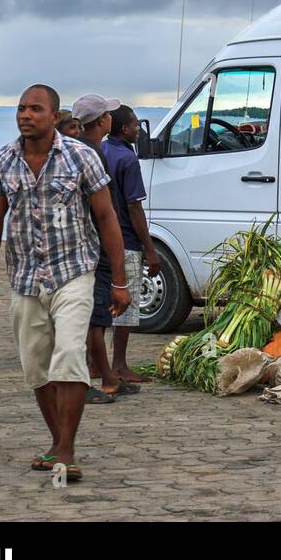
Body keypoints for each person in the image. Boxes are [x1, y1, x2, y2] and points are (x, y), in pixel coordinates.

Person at [0, 84, 129, 483]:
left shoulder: (80, 158)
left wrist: (121, 280)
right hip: (25, 278)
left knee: (70, 357)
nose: (26, 115)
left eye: (35, 109)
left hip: (73, 273)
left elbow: (107, 217)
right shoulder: (5, 160)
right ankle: (58, 440)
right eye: (21, 108)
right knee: (37, 367)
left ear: (55, 116)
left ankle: (68, 450)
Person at [70, 94, 131, 404]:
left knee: (96, 316)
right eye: (108, 114)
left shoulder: (86, 150)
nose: (112, 118)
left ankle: (107, 375)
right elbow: (103, 212)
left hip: (90, 247)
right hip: (97, 250)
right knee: (96, 318)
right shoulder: (92, 153)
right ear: (102, 121)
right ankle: (103, 378)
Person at [102, 105, 161, 385]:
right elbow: (134, 208)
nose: (139, 129)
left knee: (102, 304)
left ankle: (96, 362)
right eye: (136, 125)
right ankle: (120, 365)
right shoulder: (128, 159)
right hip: (125, 238)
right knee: (126, 305)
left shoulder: (101, 150)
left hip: (101, 238)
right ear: (124, 129)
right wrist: (149, 248)